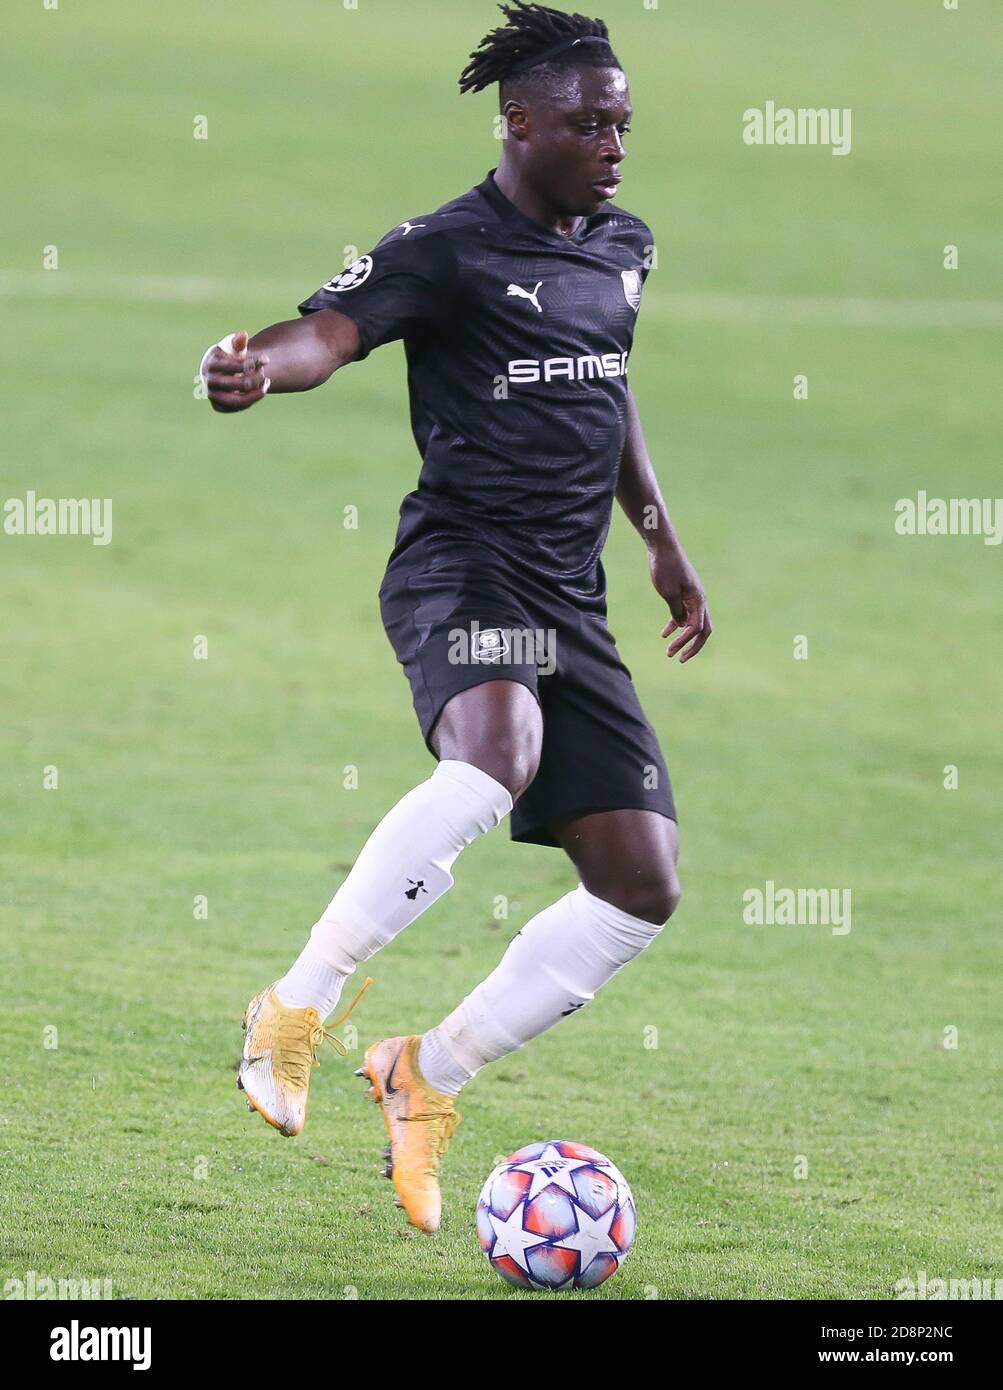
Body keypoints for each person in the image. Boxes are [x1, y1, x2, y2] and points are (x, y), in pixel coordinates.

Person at [200, 0, 711, 1235]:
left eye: (624, 124)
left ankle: (425, 1071)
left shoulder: (623, 241)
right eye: (591, 124)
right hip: (464, 565)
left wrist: (661, 541)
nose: (614, 145)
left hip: (570, 595)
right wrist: (261, 367)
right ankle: (296, 1006)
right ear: (518, 120)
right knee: (495, 755)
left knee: (639, 887)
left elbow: (608, 383)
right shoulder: (445, 248)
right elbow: (329, 331)